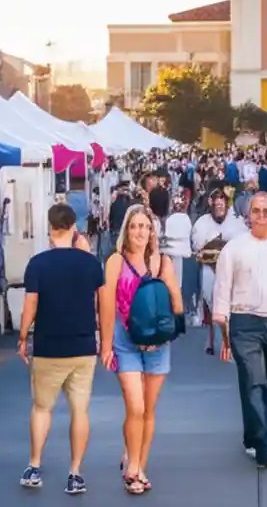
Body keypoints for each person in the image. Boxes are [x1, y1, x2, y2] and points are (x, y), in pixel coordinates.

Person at [17, 204, 106, 495]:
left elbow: (31, 304)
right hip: (83, 347)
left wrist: (22, 336)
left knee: (42, 407)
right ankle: (75, 472)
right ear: (73, 227)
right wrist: (105, 342)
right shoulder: (91, 264)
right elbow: (102, 305)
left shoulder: (37, 264)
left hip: (48, 347)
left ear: (50, 228)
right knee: (80, 411)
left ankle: (34, 465)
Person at [101, 205, 184, 495]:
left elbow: (177, 304)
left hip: (158, 345)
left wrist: (164, 333)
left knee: (148, 410)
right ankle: (133, 469)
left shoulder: (163, 263)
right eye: (134, 226)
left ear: (152, 231)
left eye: (144, 226)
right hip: (125, 341)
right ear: (127, 230)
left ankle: (138, 462)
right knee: (134, 407)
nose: (139, 231)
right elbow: (107, 302)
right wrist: (106, 343)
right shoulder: (115, 261)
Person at [212, 192, 267, 469]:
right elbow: (223, 286)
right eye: (256, 211)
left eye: (266, 212)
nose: (261, 216)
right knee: (254, 382)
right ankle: (265, 446)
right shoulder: (234, 248)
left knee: (263, 383)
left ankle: (252, 435)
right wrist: (221, 321)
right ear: (248, 215)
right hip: (243, 322)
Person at [192, 189, 247, 354]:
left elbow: (242, 244)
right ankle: (211, 341)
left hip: (231, 270)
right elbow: (197, 246)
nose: (219, 208)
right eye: (216, 204)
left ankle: (230, 340)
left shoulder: (237, 222)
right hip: (209, 268)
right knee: (210, 304)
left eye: (222, 204)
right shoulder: (202, 223)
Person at [162, 193, 197, 320]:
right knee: (184, 283)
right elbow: (190, 235)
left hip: (172, 254)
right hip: (184, 255)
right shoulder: (186, 219)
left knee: (175, 282)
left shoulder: (170, 219)